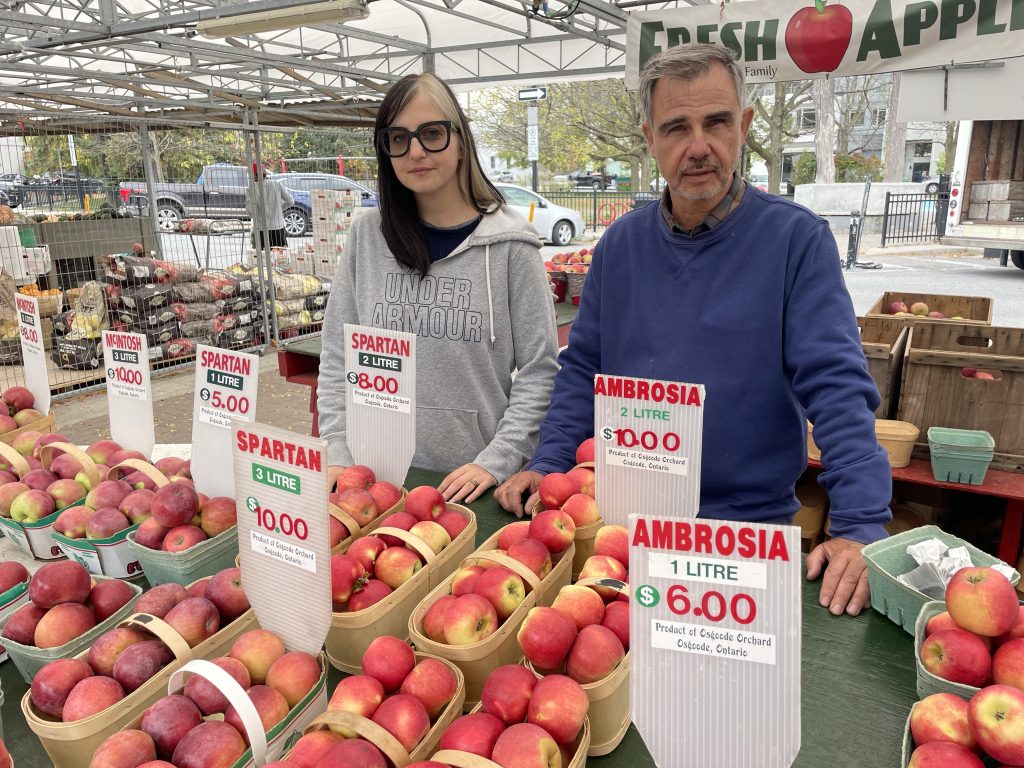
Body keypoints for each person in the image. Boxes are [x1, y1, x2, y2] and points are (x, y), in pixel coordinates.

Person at [495, 43, 892, 617]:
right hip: (620, 523)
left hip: (743, 533)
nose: (698, 146)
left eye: (717, 123)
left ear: (745, 126)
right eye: (677, 128)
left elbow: (836, 385)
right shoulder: (619, 247)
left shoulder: (794, 241)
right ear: (651, 138)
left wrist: (858, 522)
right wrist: (551, 464)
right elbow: (584, 369)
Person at [317, 72, 559, 504]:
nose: (415, 151)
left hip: (471, 486)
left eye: (432, 133)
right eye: (398, 138)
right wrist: (337, 452)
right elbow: (338, 356)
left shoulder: (511, 248)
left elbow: (540, 371)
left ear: (461, 140)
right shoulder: (367, 237)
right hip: (371, 481)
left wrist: (498, 458)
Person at [246, 167, 293, 249]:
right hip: (278, 227)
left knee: (262, 258)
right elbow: (290, 201)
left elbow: (251, 212)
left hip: (261, 229)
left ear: (254, 175)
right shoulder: (276, 184)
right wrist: (279, 209)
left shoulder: (251, 189)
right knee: (280, 257)